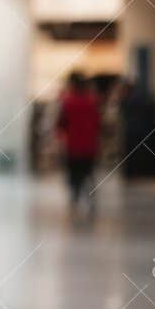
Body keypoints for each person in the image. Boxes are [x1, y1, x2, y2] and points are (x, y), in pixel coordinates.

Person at [57, 71, 102, 220]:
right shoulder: (93, 101)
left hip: (73, 145)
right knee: (88, 172)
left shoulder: (68, 102)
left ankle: (75, 198)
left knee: (74, 174)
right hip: (89, 145)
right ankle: (90, 197)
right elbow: (98, 124)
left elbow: (61, 124)